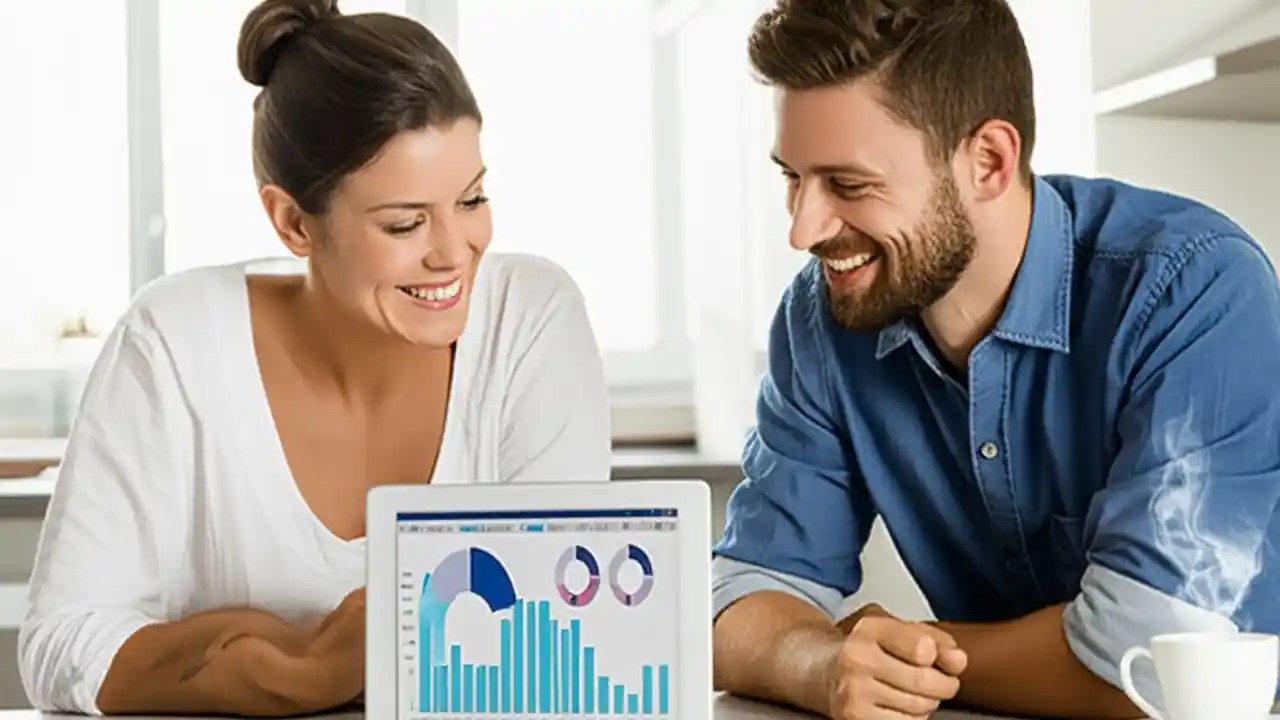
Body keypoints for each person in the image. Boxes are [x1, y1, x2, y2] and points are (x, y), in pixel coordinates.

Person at [18, 0, 611, 715]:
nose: (455, 253)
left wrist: (238, 641)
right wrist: (301, 669)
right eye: (405, 222)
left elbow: (557, 630)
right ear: (293, 222)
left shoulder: (531, 318)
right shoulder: (173, 341)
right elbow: (62, 645)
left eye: (473, 198)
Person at [711, 1, 1280, 719]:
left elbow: (1153, 660)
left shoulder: (1194, 289)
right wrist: (821, 661)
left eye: (848, 185)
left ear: (988, 161)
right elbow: (738, 601)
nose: (803, 229)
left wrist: (905, 654)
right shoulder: (822, 318)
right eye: (792, 177)